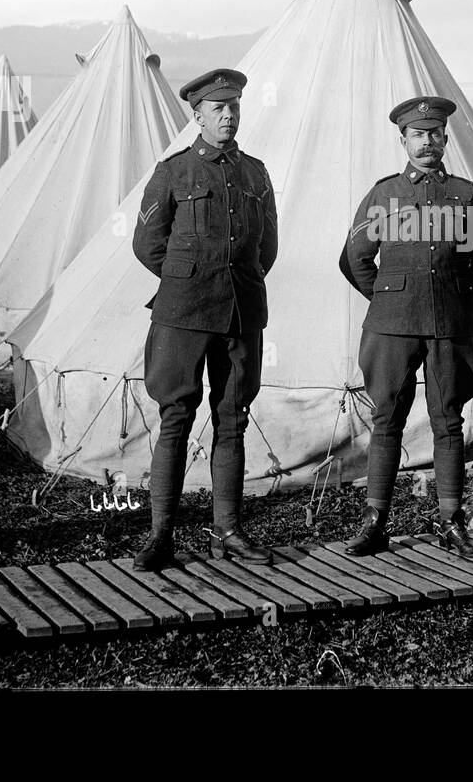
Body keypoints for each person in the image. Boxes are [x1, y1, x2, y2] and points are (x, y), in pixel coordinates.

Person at [338, 96, 473, 558]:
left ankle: (451, 521)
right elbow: (354, 259)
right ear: (404, 140)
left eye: (434, 134)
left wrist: (455, 294)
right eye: (418, 134)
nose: (427, 141)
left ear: (446, 139)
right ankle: (375, 523)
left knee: (449, 420)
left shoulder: (466, 195)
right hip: (392, 326)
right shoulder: (384, 195)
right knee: (386, 418)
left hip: (450, 324)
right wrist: (389, 295)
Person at [130, 68, 278, 570]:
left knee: (232, 419)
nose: (228, 116)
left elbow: (267, 247)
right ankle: (160, 536)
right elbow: (148, 245)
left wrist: (232, 279)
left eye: (234, 107)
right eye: (218, 109)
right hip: (183, 312)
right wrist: (188, 279)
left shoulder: (256, 174)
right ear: (197, 115)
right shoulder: (173, 172)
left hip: (241, 311)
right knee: (175, 417)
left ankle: (228, 533)